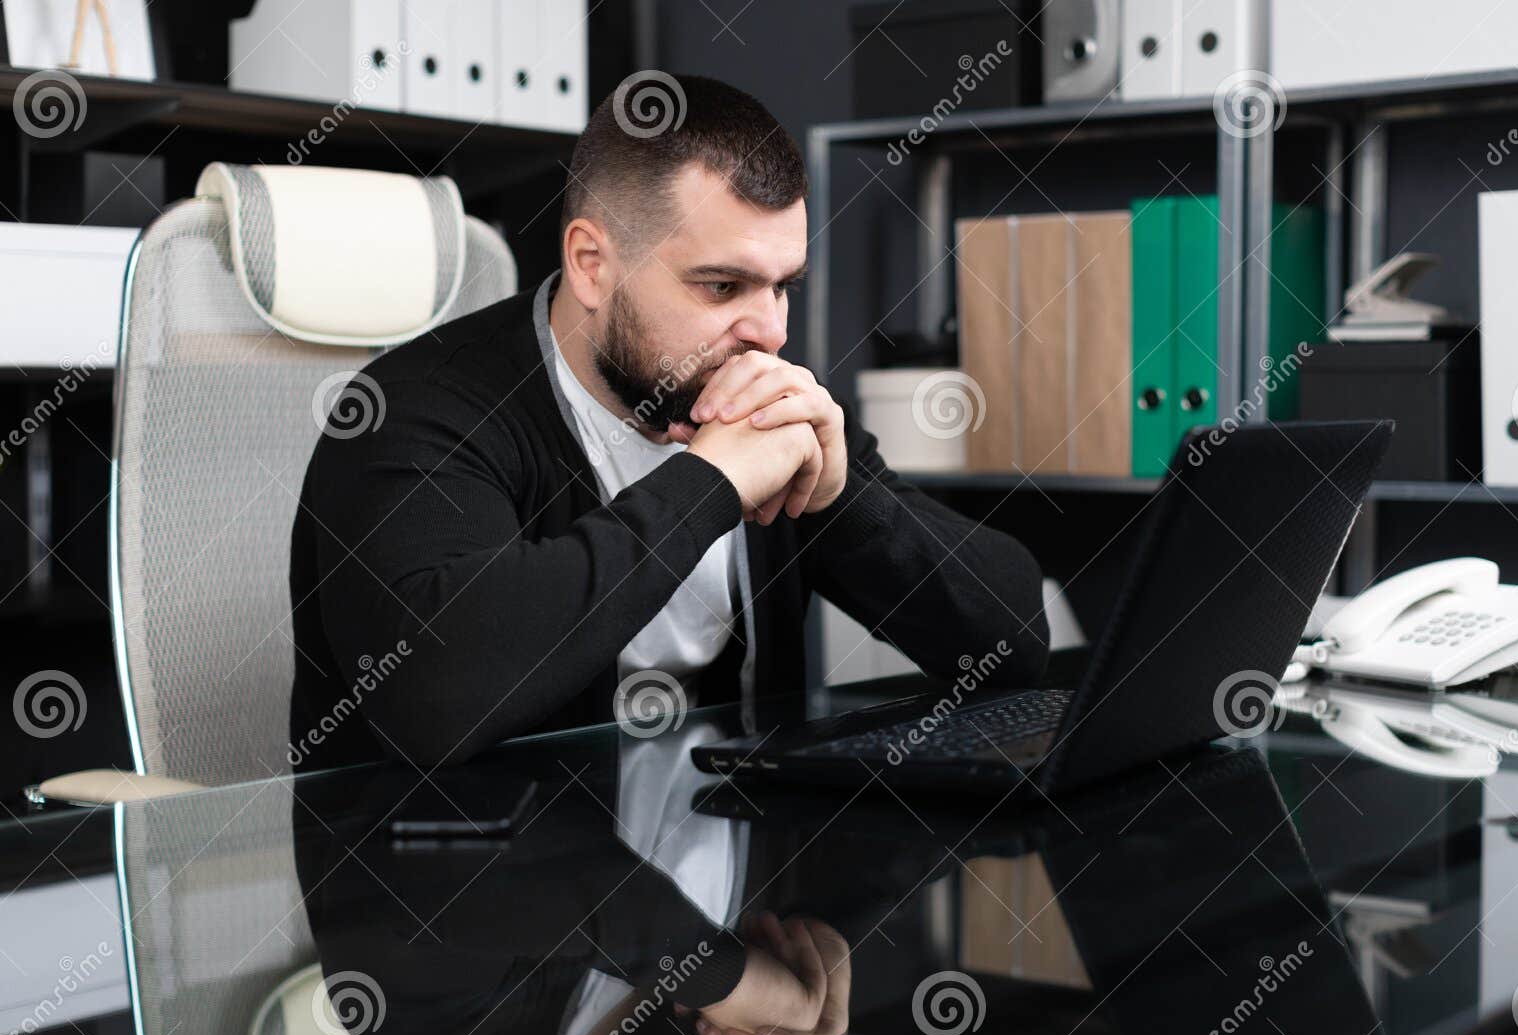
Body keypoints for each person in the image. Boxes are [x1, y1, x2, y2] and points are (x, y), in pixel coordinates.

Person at [289, 74, 1047, 770]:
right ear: (592, 264)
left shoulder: (767, 406)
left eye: (783, 287)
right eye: (723, 285)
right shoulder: (413, 409)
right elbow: (437, 691)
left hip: (736, 891)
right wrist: (709, 483)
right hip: (466, 897)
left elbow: (1016, 643)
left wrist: (845, 502)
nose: (770, 332)